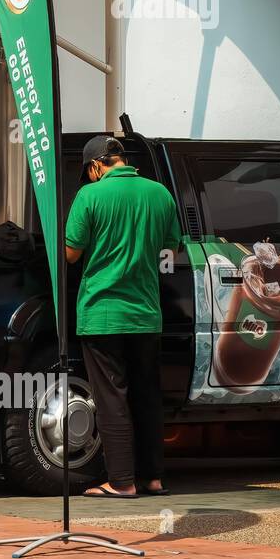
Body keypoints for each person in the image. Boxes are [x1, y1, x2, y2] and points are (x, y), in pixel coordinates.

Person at [65, 135, 181, 499]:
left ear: (96, 166)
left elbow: (71, 253)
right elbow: (171, 249)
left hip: (103, 313)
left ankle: (121, 482)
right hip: (146, 312)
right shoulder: (160, 194)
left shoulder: (90, 195)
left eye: (89, 172)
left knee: (112, 397)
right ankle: (153, 478)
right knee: (147, 394)